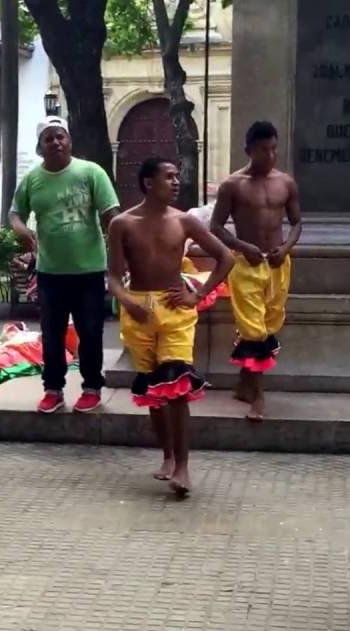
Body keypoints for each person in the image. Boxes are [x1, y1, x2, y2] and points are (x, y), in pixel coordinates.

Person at [108, 158, 233, 497]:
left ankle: (183, 465)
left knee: (177, 386)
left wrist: (200, 293)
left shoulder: (185, 221)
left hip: (176, 308)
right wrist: (128, 300)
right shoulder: (123, 223)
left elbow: (226, 257)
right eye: (169, 176)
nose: (176, 182)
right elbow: (114, 277)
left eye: (177, 176)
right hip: (139, 311)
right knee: (154, 391)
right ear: (148, 183)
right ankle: (166, 455)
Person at [9, 116, 120, 414]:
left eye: (61, 137)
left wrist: (120, 261)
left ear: (70, 141)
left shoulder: (91, 172)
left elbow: (112, 217)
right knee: (52, 334)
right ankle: (53, 389)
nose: (56, 142)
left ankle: (92, 387)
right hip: (50, 273)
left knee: (91, 332)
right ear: (40, 147)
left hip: (90, 271)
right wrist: (20, 228)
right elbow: (15, 212)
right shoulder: (33, 179)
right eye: (49, 138)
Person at [209, 121, 302, 421]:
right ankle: (258, 398)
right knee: (254, 329)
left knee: (270, 324)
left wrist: (285, 248)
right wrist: (242, 246)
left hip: (277, 264)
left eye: (273, 149)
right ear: (248, 150)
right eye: (263, 149)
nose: (270, 155)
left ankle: (244, 384)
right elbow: (215, 226)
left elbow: (297, 222)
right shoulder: (233, 185)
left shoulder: (285, 183)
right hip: (246, 263)